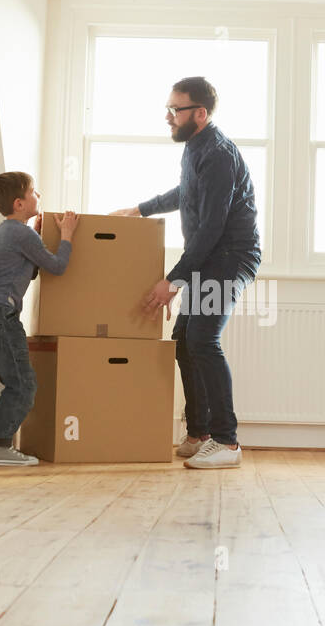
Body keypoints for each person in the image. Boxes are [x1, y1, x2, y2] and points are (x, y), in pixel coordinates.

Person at [110, 77, 261, 470]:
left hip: (229, 258)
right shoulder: (195, 148)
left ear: (200, 113)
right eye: (169, 109)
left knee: (202, 339)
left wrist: (172, 281)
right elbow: (184, 193)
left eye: (174, 110)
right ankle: (200, 433)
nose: (168, 117)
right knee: (182, 340)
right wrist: (140, 209)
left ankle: (227, 442)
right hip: (209, 258)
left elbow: (211, 227)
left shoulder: (220, 154)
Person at [0, 172, 77, 466]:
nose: (38, 195)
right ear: (19, 203)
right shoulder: (21, 234)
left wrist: (38, 237)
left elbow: (28, 270)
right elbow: (57, 266)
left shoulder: (8, 231)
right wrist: (66, 236)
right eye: (33, 192)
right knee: (23, 384)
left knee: (17, 382)